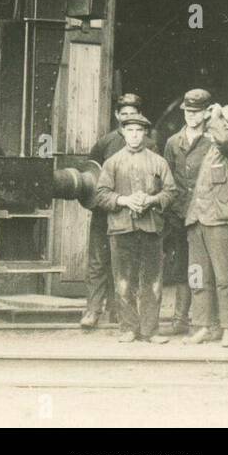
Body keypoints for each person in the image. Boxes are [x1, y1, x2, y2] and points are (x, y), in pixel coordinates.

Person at [94, 113, 177, 343]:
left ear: (145, 133)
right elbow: (101, 195)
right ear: (123, 132)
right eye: (130, 130)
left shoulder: (158, 162)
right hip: (121, 228)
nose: (134, 135)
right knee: (123, 280)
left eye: (139, 131)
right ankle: (129, 328)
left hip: (151, 228)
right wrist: (124, 200)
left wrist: (151, 200)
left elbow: (171, 192)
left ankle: (150, 330)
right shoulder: (112, 163)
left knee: (152, 281)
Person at [81, 93, 155, 329]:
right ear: (117, 116)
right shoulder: (105, 143)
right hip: (105, 213)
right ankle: (93, 310)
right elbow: (90, 174)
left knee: (127, 265)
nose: (129, 120)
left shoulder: (151, 146)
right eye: (124, 115)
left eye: (133, 115)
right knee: (98, 262)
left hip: (135, 216)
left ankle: (119, 313)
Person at [184, 103, 228, 348]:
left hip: (222, 222)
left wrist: (218, 114)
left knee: (225, 278)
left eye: (219, 125)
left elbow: (226, 139)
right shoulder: (208, 151)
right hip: (197, 221)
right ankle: (203, 326)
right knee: (197, 277)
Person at [160, 89, 214, 335]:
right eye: (188, 112)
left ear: (206, 113)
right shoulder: (173, 142)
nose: (191, 116)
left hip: (204, 214)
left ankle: (207, 322)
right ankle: (180, 320)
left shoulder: (213, 141)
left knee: (203, 269)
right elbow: (166, 179)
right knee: (182, 267)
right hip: (179, 215)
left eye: (197, 112)